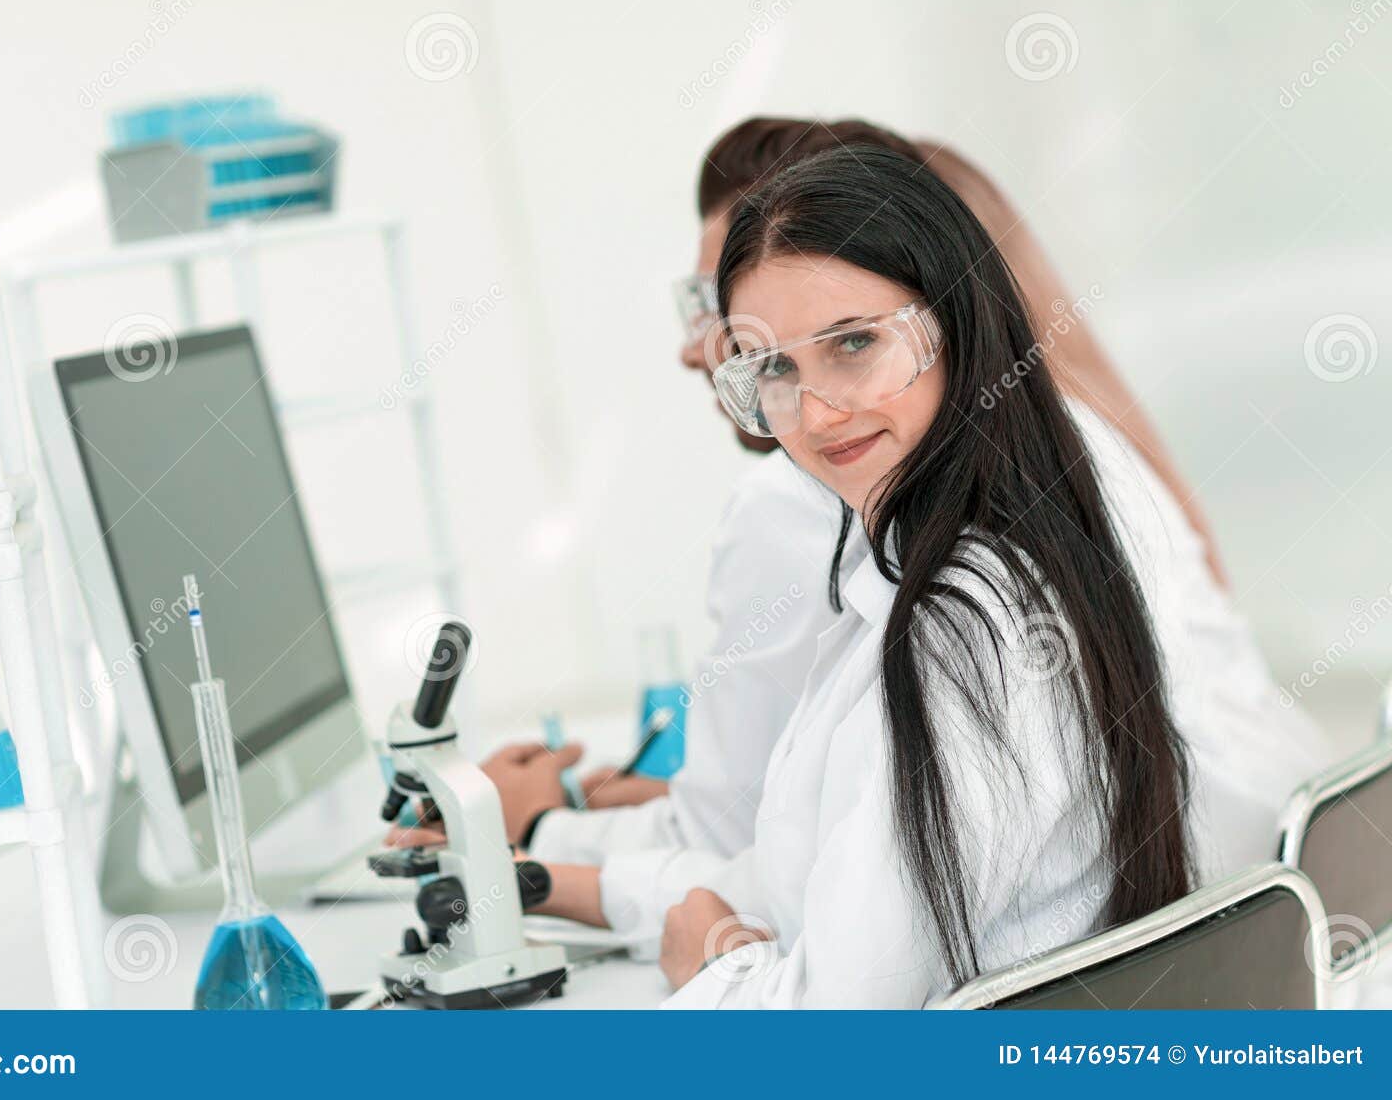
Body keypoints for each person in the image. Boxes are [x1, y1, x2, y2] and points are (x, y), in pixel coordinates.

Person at [535, 146, 1328, 1006]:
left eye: (853, 344)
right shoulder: (956, 563)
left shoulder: (966, 627)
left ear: (957, 322)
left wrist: (709, 970)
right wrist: (559, 879)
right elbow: (796, 869)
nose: (819, 410)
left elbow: (837, 1033)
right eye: (773, 368)